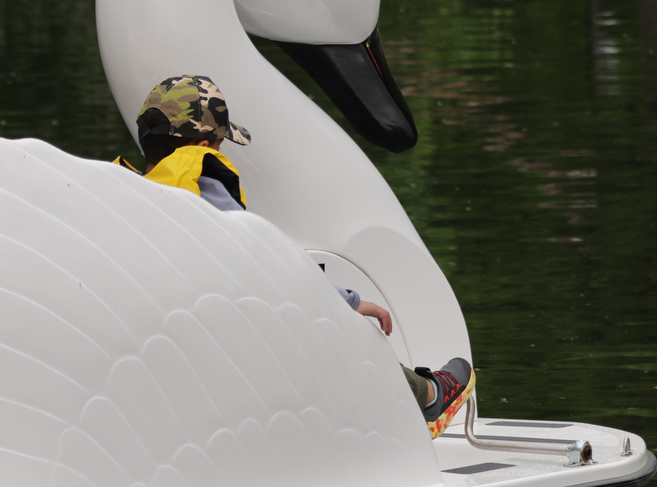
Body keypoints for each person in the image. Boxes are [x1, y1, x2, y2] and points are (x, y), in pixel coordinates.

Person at [124, 74, 475, 433]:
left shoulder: (132, 199)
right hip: (237, 353)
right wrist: (348, 302)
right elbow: (274, 267)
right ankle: (428, 397)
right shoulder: (202, 190)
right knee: (330, 323)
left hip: (176, 358)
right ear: (202, 146)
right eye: (219, 145)